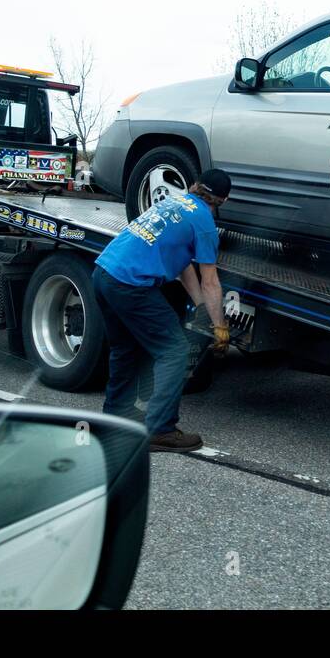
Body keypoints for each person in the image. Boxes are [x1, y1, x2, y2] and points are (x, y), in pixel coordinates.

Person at [93, 168, 232, 452]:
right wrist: (220, 326)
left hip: (104, 272)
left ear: (195, 186)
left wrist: (203, 308)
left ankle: (116, 416)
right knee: (174, 351)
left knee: (125, 349)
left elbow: (182, 264)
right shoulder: (204, 222)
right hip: (130, 284)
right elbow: (210, 279)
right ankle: (161, 430)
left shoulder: (173, 202)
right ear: (224, 200)